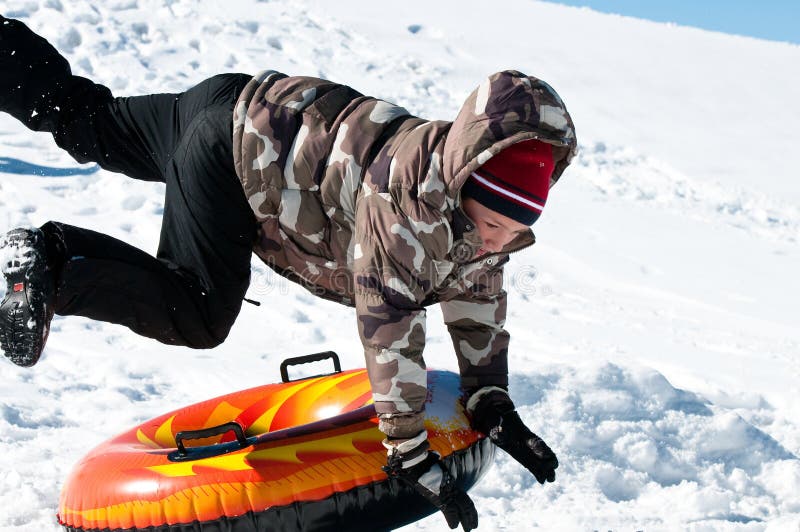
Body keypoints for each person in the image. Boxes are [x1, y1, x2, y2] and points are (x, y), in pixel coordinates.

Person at [0, 15, 576, 531]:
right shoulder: (408, 205)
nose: (498, 241)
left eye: (513, 231)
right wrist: (408, 452)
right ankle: (56, 265)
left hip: (239, 103)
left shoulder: (465, 194)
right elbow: (389, 323)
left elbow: (478, 301)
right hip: (232, 157)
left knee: (88, 121)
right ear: (468, 176)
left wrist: (491, 399)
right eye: (493, 223)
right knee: (196, 311)